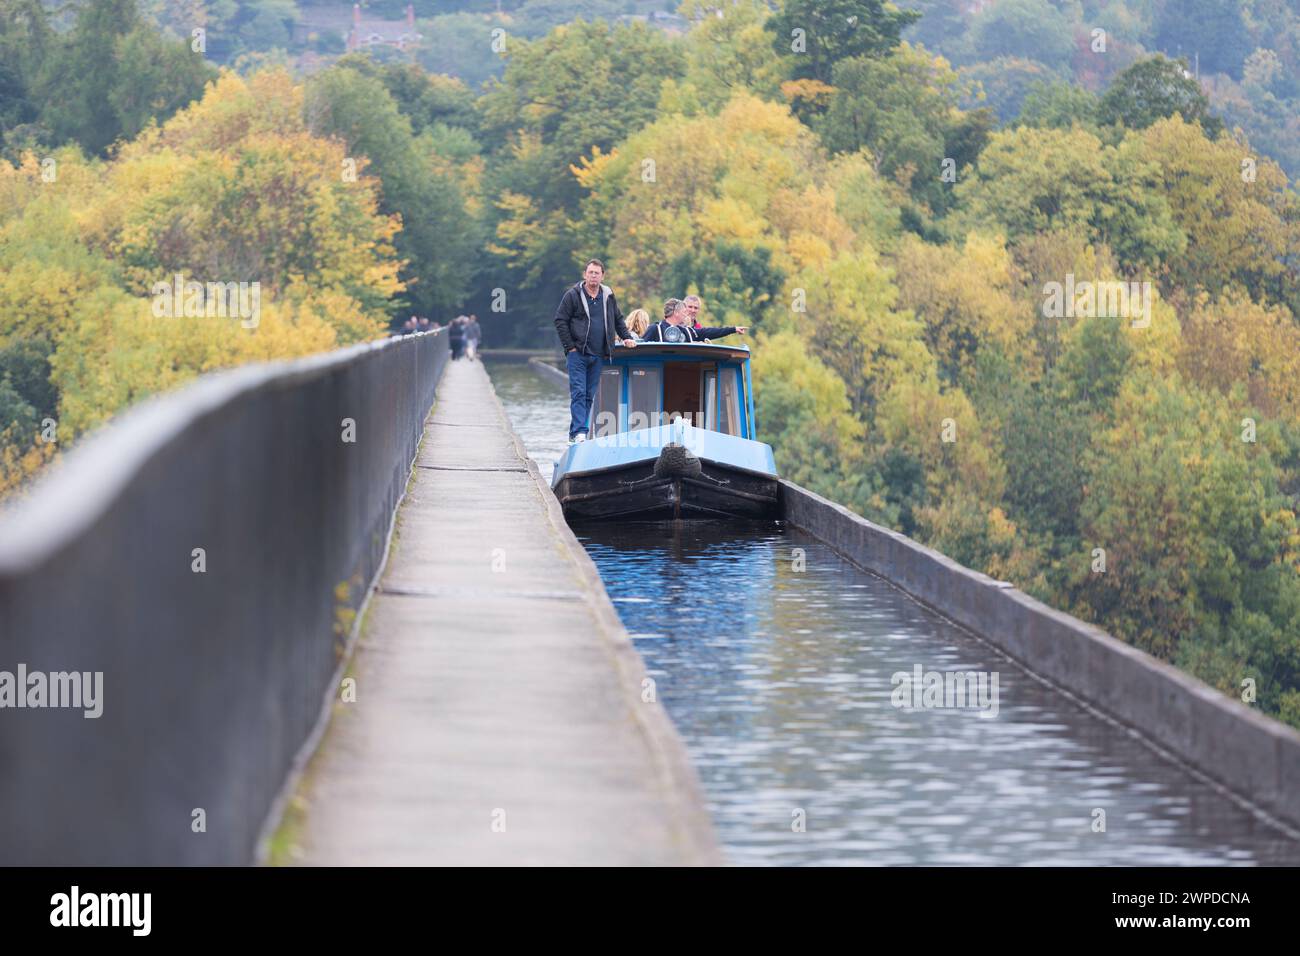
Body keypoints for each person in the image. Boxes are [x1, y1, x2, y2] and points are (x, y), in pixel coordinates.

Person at [553, 259, 637, 443]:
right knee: (578, 392)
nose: (593, 276)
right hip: (578, 354)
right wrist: (571, 347)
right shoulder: (573, 295)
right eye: (590, 272)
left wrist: (626, 337)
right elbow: (560, 320)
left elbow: (617, 319)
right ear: (585, 274)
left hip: (599, 354)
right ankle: (579, 432)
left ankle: (577, 433)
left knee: (589, 395)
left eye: (596, 273)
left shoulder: (608, 295)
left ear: (602, 276)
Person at [643, 298, 747, 343]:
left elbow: (708, 332)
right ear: (676, 312)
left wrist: (733, 329)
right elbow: (640, 353)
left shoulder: (687, 331)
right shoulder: (654, 329)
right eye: (684, 311)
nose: (687, 314)